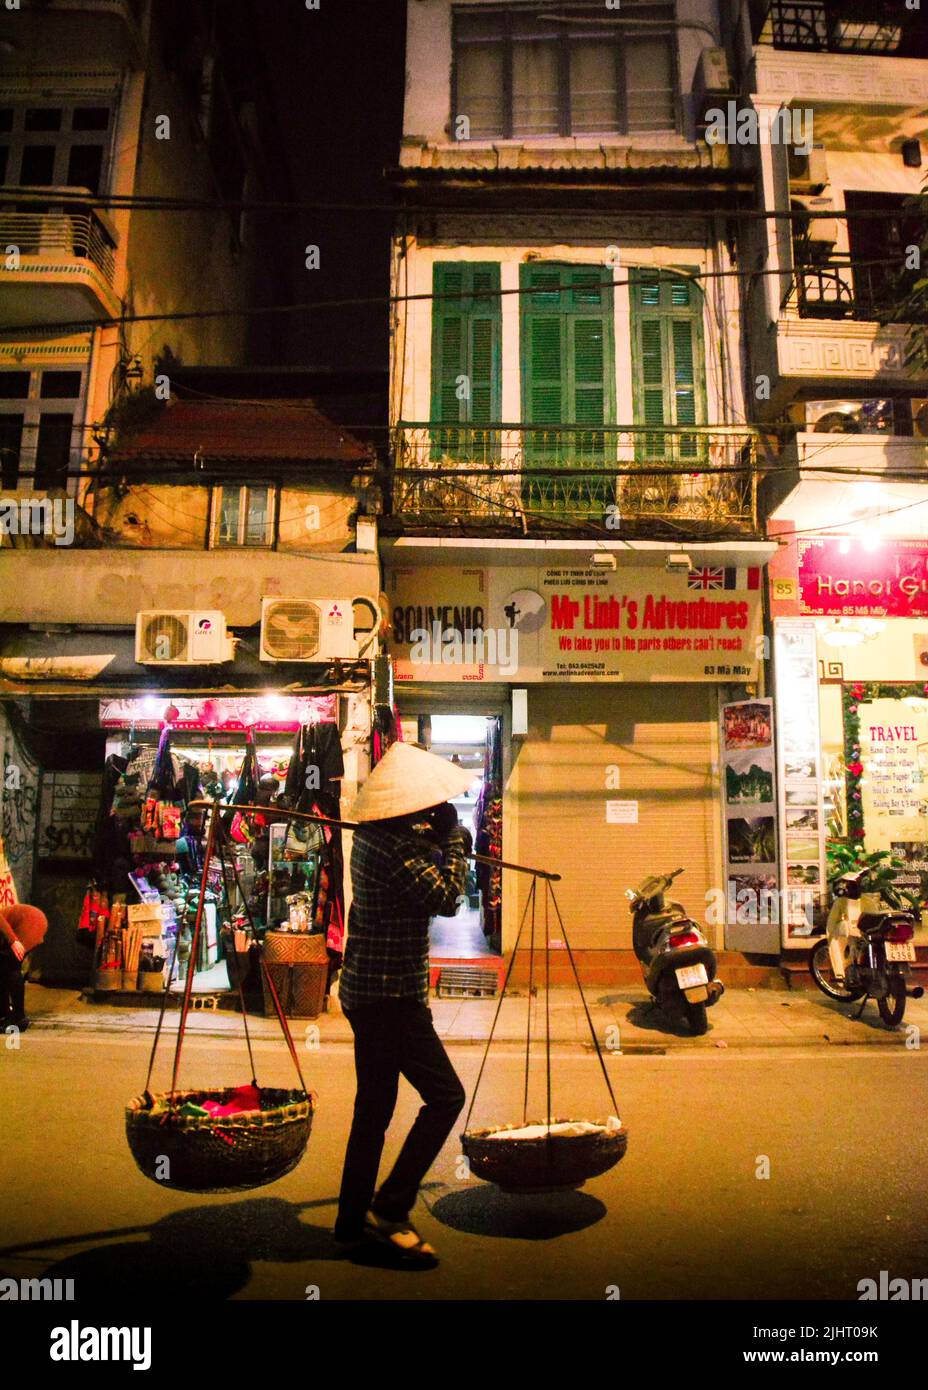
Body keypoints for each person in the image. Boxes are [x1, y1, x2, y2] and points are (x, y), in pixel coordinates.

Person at [333, 741, 476, 1268]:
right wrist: (456, 842)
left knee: (373, 1111)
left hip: (370, 991)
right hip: (390, 997)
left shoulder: (373, 838)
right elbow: (447, 898)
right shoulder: (397, 850)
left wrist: (437, 838)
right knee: (445, 1097)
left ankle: (350, 1225)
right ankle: (389, 1207)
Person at [0, 903, 49, 1031]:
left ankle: (17, 1017)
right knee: (5, 969)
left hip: (29, 921)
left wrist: (13, 941)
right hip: (31, 920)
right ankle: (8, 1015)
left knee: (11, 968)